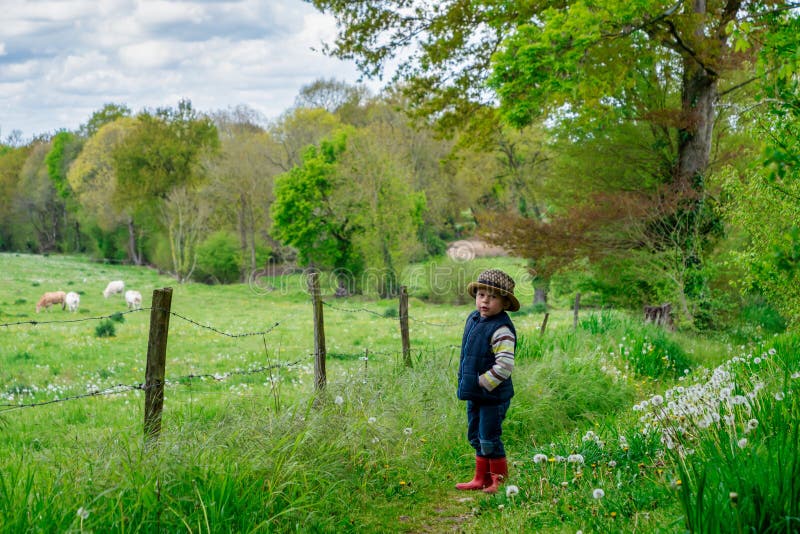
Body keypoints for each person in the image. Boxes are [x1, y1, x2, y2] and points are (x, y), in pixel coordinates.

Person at [455, 268, 519, 494]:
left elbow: (504, 366)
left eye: (493, 297)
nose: (485, 301)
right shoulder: (473, 320)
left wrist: (482, 382)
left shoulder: (501, 329)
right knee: (475, 434)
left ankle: (499, 481)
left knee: (489, 435)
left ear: (504, 303)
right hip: (475, 393)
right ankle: (480, 478)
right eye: (482, 295)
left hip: (492, 395)